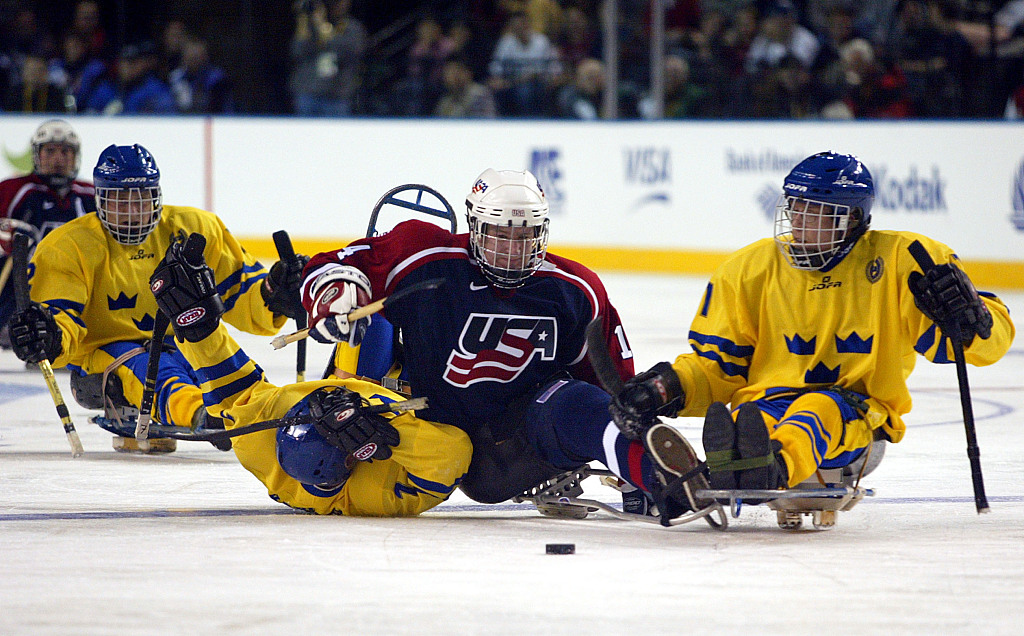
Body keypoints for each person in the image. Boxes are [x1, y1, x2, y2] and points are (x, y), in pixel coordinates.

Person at [298, 168, 714, 524]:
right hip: (420, 431)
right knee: (369, 335)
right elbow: (338, 263)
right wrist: (334, 294)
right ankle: (323, 464)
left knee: (578, 404)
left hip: (510, 444)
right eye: (499, 234)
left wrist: (626, 450)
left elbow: (612, 390)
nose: (513, 250)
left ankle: (669, 483)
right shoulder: (424, 254)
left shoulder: (575, 290)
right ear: (474, 225)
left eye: (525, 235)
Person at [610, 151, 1015, 497]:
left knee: (816, 409)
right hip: (767, 406)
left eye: (816, 211)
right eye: (795, 207)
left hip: (858, 417)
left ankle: (770, 470)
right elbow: (720, 368)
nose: (799, 220)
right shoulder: (748, 270)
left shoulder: (902, 260)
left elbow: (976, 345)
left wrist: (974, 322)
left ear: (853, 218)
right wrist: (668, 386)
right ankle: (739, 461)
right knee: (749, 421)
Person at [6, 144, 306, 452]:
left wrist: (273, 292)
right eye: (120, 201)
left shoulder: (196, 230)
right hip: (104, 356)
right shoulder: (67, 246)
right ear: (100, 199)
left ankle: (264, 406)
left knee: (215, 352)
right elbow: (61, 318)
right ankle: (203, 416)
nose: (133, 213)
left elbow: (240, 293)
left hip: (181, 339)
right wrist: (49, 336)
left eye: (142, 199)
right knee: (153, 367)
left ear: (157, 195)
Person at [144, 237, 471, 515]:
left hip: (358, 382)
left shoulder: (264, 443)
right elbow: (453, 455)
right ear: (353, 459)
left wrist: (196, 323)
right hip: (424, 402)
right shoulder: (377, 496)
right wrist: (382, 428)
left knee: (358, 304)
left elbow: (234, 394)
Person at [0, 120, 94, 349]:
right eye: (50, 151)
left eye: (65, 151)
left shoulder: (91, 196)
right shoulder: (14, 190)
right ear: (37, 155)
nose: (58, 159)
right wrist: (9, 236)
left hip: (72, 281)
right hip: (22, 279)